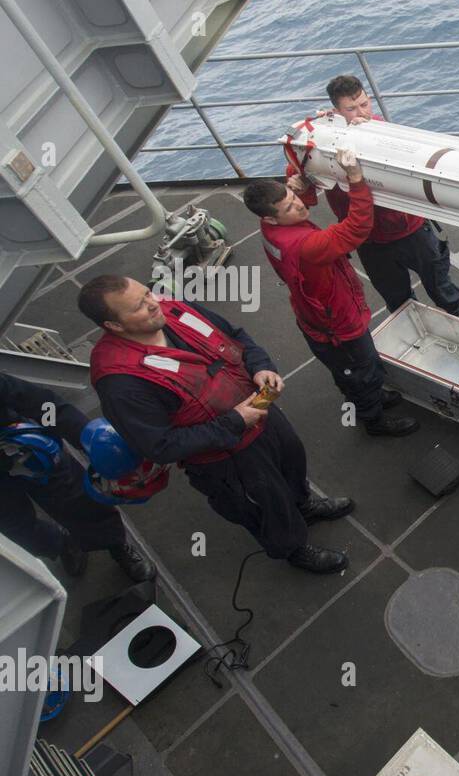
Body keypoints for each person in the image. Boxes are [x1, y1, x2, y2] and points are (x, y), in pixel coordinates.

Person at [78, 275, 354, 574]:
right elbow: (161, 445)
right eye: (139, 307)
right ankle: (292, 547)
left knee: (291, 463)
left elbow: (235, 336)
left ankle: (303, 505)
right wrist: (235, 422)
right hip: (229, 458)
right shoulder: (121, 383)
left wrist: (260, 367)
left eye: (147, 294)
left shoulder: (176, 310)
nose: (153, 304)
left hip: (261, 413)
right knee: (266, 504)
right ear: (115, 326)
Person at [244, 148, 418, 438]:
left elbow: (298, 211)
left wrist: (299, 190)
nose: (298, 206)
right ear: (271, 219)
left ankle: (368, 396)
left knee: (352, 369)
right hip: (337, 322)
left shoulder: (270, 228)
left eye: (294, 198)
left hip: (315, 313)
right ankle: (373, 418)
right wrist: (356, 179)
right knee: (362, 369)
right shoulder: (306, 246)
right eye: (289, 207)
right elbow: (356, 228)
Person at [285, 74, 459, 319]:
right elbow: (305, 179)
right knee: (396, 297)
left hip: (410, 230)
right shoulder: (324, 141)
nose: (362, 113)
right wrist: (300, 183)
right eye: (351, 108)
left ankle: (457, 316)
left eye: (364, 103)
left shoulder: (383, 132)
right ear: (335, 111)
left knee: (441, 285)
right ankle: (412, 331)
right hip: (369, 240)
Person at [0, 373, 155, 582]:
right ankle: (60, 544)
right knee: (15, 527)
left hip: (26, 451)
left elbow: (39, 402)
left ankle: (115, 544)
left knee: (76, 499)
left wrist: (87, 436)